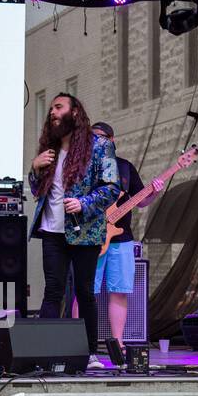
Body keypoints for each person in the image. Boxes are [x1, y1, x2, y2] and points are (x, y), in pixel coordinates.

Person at [28, 93, 119, 369]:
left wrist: (84, 203)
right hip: (51, 230)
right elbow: (37, 191)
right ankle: (41, 353)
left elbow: (111, 187)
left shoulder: (99, 146)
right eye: (51, 109)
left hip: (85, 231)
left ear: (75, 113)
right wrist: (34, 169)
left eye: (58, 107)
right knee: (52, 291)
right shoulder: (50, 149)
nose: (53, 113)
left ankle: (90, 353)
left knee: (84, 291)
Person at [81, 121, 166, 346]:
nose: (96, 141)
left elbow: (141, 200)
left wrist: (154, 192)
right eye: (92, 138)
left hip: (122, 238)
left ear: (112, 140)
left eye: (101, 137)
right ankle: (78, 341)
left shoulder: (125, 168)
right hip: (90, 237)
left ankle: (117, 344)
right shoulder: (82, 167)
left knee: (119, 291)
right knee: (85, 291)